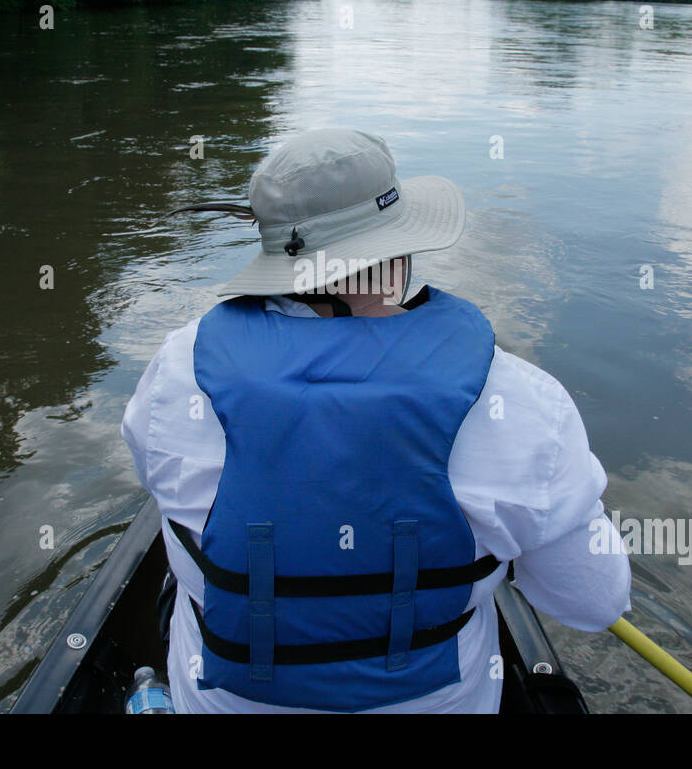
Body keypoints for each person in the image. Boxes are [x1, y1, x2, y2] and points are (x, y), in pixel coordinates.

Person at [121, 128, 630, 712]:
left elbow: (153, 478)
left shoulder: (176, 373)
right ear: (397, 255)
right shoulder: (523, 403)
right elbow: (594, 605)